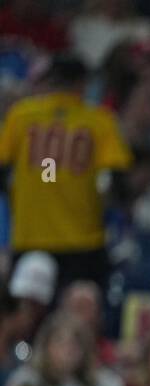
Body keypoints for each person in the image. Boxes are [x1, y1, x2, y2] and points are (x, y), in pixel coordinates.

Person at [0, 54, 132, 293]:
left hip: (31, 235)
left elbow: (1, 170)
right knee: (82, 309)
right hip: (83, 238)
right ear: (82, 83)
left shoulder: (21, 115)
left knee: (24, 313)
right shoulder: (100, 120)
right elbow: (117, 180)